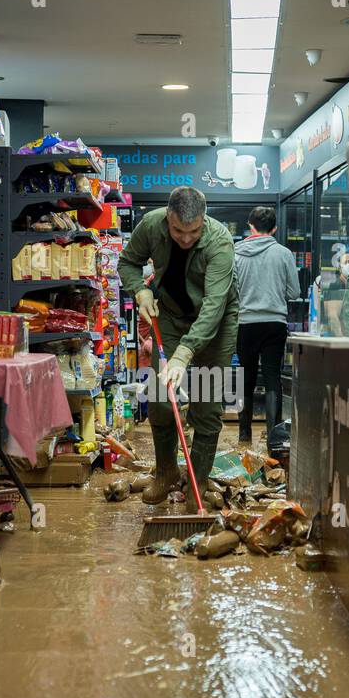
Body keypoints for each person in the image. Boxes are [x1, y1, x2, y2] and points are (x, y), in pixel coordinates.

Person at [118, 187, 238, 505]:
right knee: (159, 397)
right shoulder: (151, 224)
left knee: (207, 406)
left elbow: (214, 306)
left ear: (204, 220)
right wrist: (140, 292)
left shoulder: (220, 241)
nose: (186, 238)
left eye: (194, 231)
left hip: (216, 323)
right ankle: (166, 472)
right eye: (178, 231)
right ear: (168, 217)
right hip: (169, 316)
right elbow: (128, 263)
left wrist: (184, 355)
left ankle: (195, 485)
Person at [232, 205, 300, 451]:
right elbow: (294, 292)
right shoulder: (284, 254)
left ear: (250, 226)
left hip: (245, 324)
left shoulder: (235, 253)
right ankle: (275, 439)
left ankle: (243, 435)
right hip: (274, 323)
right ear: (275, 228)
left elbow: (230, 292)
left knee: (246, 378)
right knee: (272, 378)